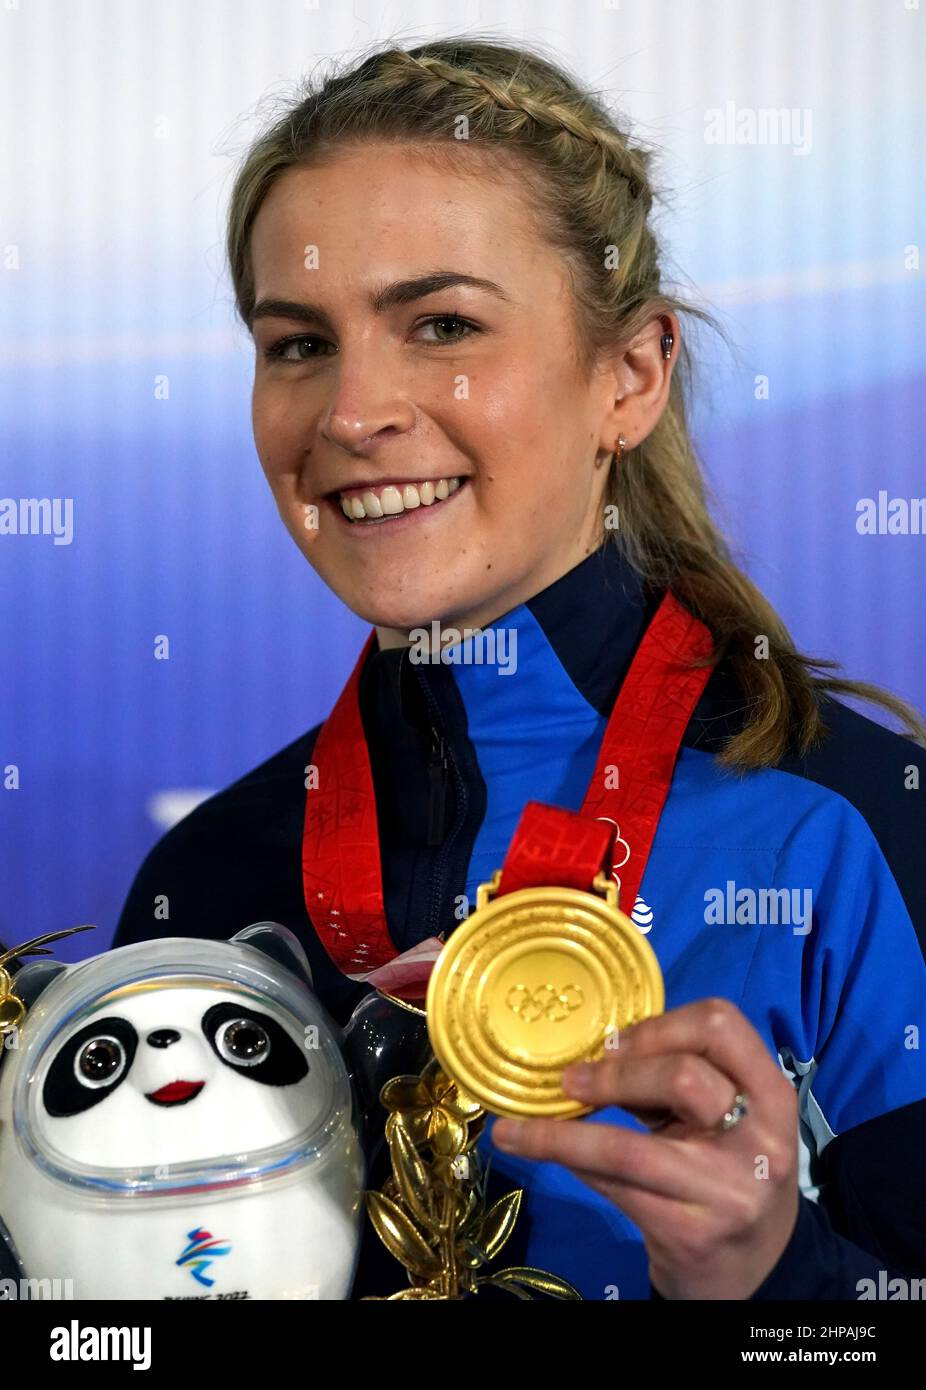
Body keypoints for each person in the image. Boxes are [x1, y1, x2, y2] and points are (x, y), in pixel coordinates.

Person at [113, 37, 926, 1301]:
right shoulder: (206, 883)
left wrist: (775, 1276)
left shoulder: (855, 825)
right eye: (296, 343)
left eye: (442, 324)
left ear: (630, 375)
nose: (349, 410)